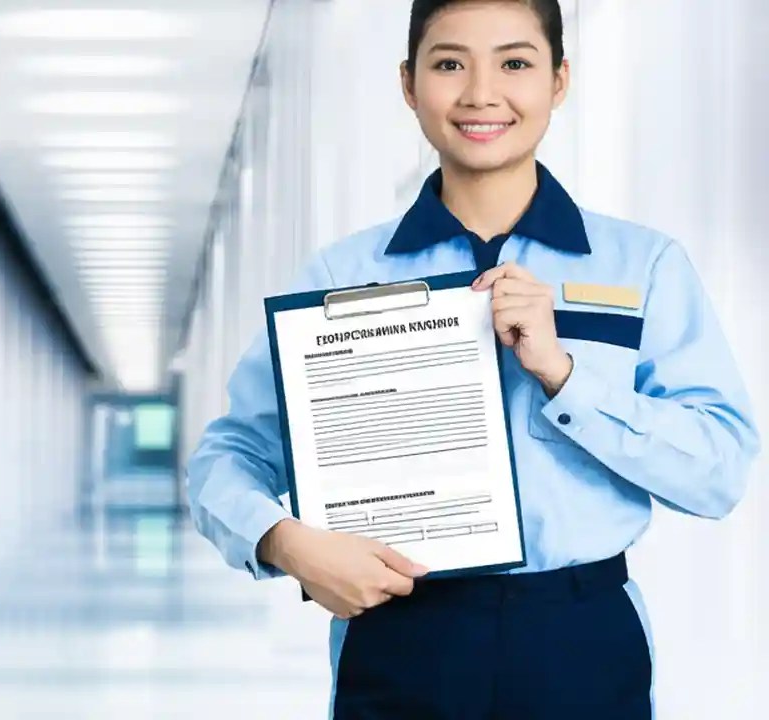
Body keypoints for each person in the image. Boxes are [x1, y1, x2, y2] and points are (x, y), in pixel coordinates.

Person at [185, 0, 761, 717]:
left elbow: (719, 472)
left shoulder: (643, 267)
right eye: (450, 63)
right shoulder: (341, 276)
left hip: (580, 638)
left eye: (514, 62)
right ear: (408, 84)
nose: (482, 93)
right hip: (401, 635)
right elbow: (228, 456)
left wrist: (565, 376)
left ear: (558, 80)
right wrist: (284, 542)